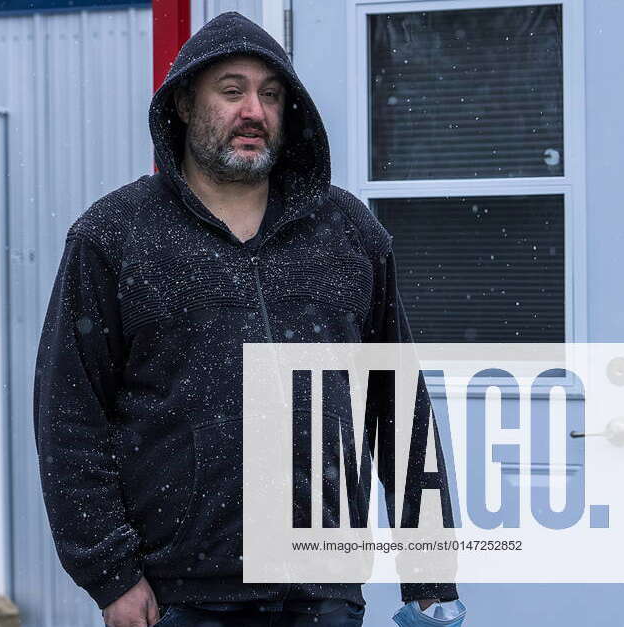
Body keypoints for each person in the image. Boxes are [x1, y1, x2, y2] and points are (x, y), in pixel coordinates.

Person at [33, 11, 461, 627]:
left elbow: (399, 409)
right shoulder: (116, 235)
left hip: (324, 591)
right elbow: (69, 418)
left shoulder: (347, 234)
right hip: (178, 595)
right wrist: (111, 577)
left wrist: (430, 573)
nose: (253, 110)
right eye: (231, 91)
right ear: (183, 103)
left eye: (270, 94)